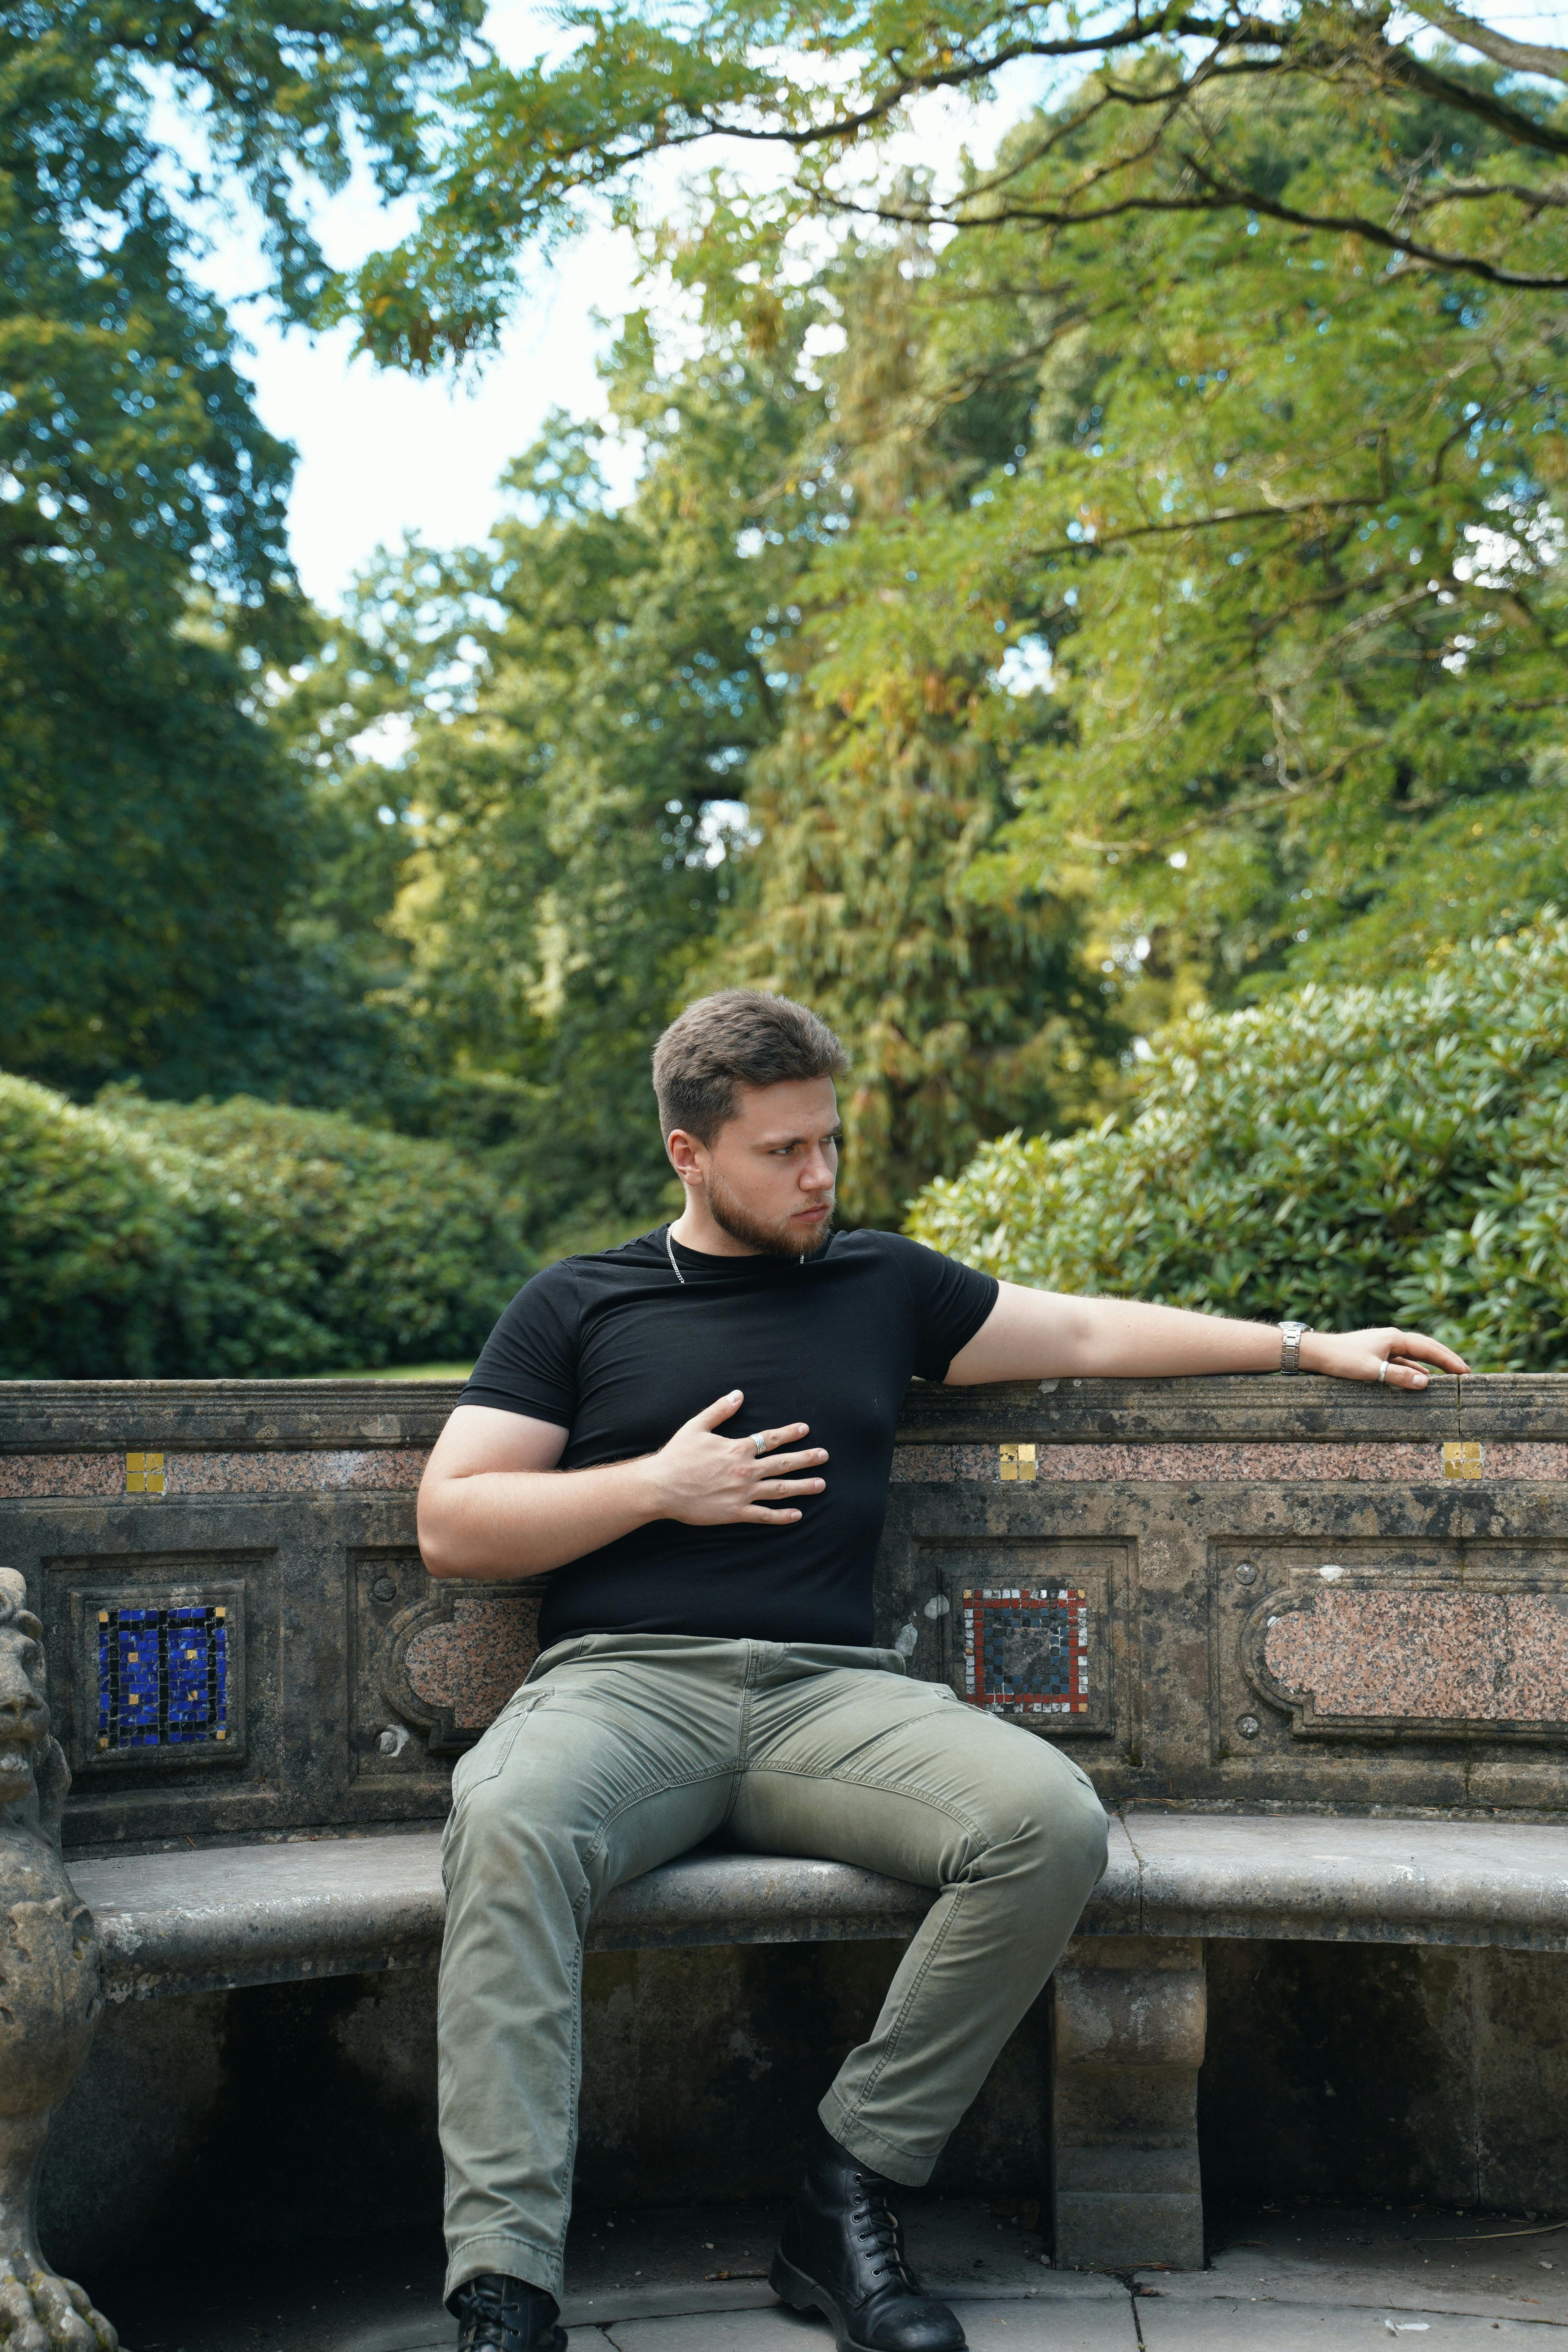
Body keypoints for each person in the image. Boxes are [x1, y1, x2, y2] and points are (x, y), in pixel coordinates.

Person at [417, 990, 1468, 2352]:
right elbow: (454, 1522)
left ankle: (846, 2190)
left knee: (1048, 1824)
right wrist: (657, 1486)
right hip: (623, 1686)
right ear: (688, 1152)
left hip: (829, 1695)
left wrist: (1301, 1346)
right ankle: (506, 2283)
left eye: (830, 1144)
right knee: (507, 1824)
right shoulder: (581, 1300)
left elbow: (1084, 1334)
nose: (819, 1177)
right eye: (782, 1152)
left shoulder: (882, 1285)